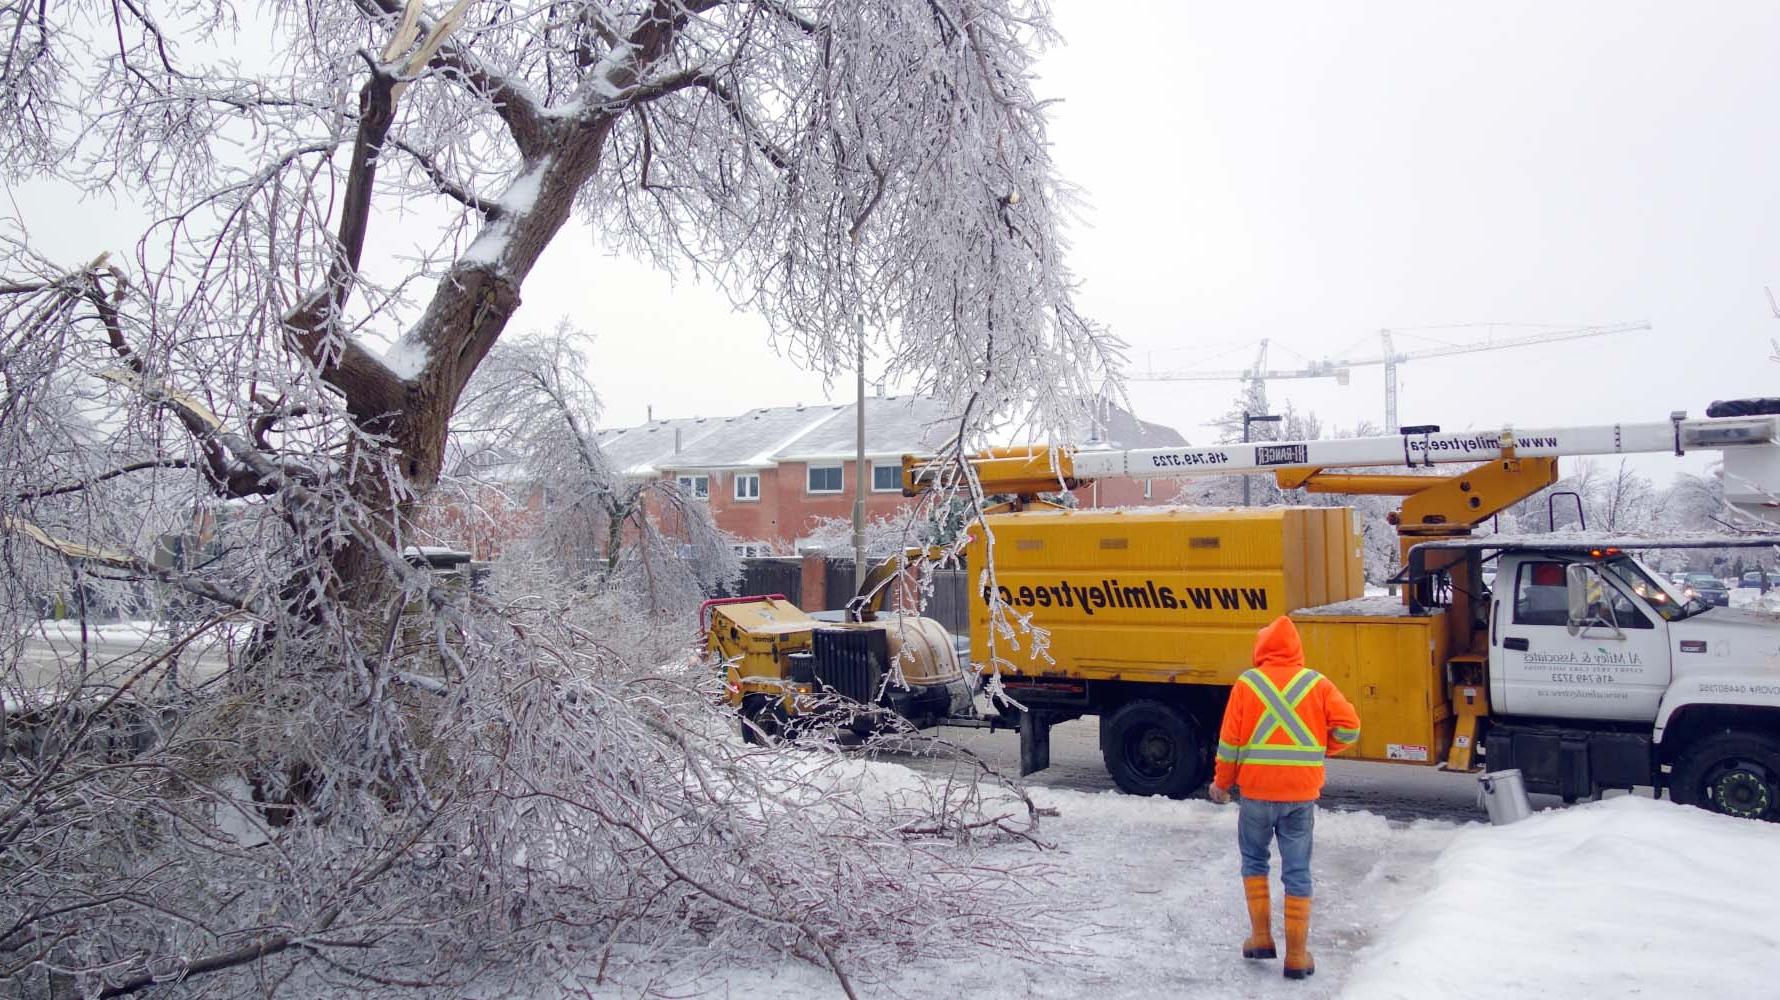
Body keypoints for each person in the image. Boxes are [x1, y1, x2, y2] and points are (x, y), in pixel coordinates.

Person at [1208, 615, 1361, 980]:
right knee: (1297, 871)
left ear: (1261, 649)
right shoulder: (1317, 684)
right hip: (1300, 796)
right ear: (1296, 650)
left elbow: (1230, 743)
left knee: (1255, 862)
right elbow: (1350, 729)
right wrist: (1321, 748)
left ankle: (1260, 937)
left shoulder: (1248, 684)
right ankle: (1296, 956)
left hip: (1257, 795)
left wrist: (1222, 783)